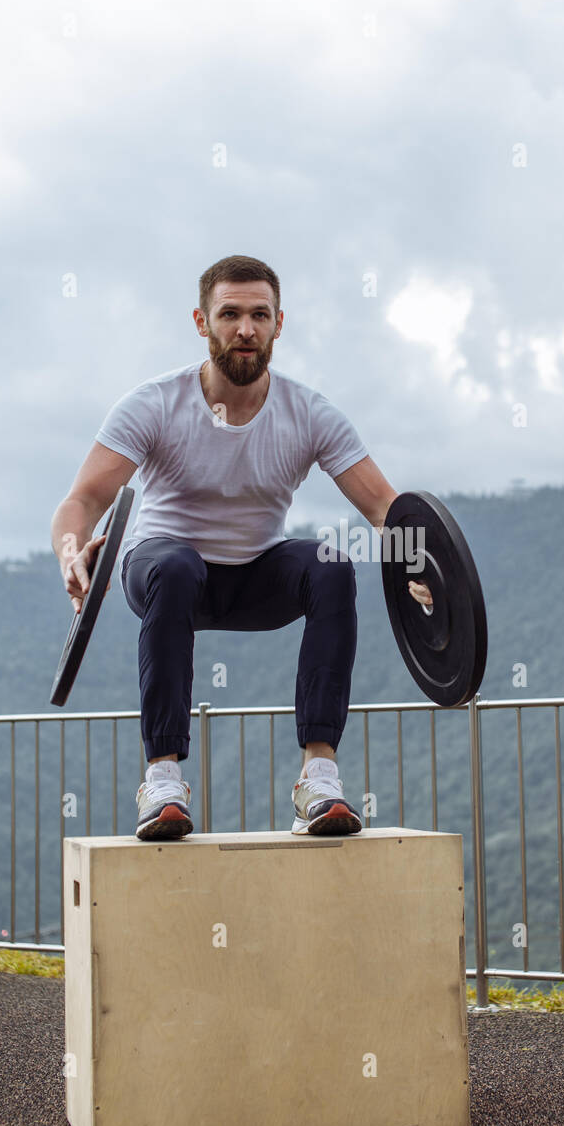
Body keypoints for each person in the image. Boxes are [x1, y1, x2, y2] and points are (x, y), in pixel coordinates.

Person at [51, 254, 431, 841]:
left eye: (260, 314)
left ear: (281, 324)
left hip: (255, 573)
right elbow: (82, 500)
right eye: (230, 314)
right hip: (161, 568)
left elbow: (384, 508)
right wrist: (72, 552)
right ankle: (163, 781)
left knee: (332, 565)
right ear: (202, 323)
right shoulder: (154, 404)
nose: (246, 329)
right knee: (177, 565)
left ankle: (319, 777)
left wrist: (420, 564)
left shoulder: (309, 413)